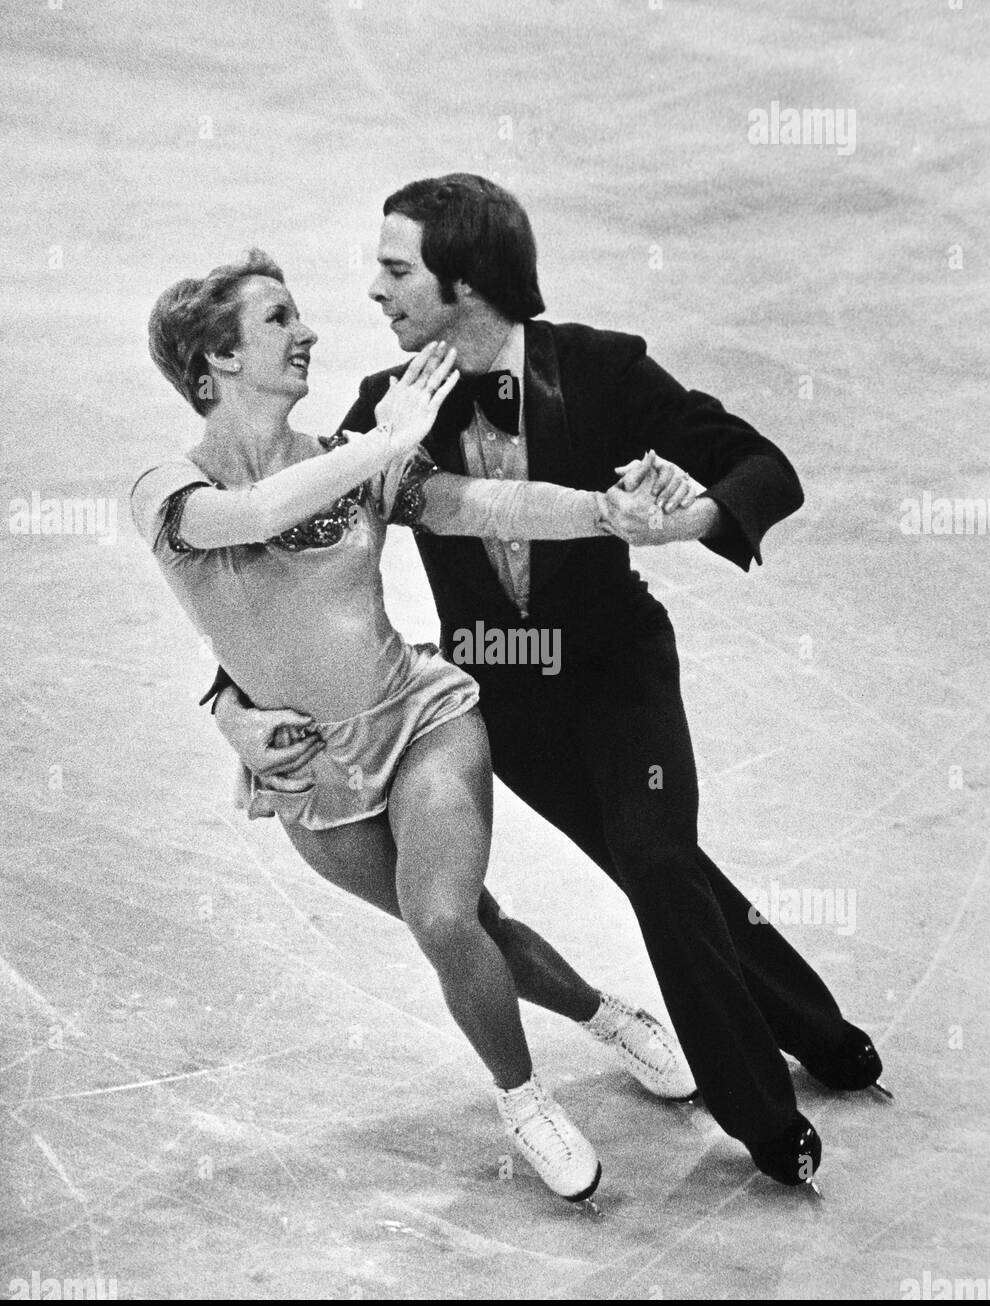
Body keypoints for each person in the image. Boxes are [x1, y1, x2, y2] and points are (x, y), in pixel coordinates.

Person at [208, 178, 892, 1193]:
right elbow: (283, 590)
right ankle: (824, 1036)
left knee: (658, 859)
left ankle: (763, 1117)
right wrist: (233, 708)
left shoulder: (600, 369)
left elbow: (761, 464)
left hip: (618, 669)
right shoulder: (384, 418)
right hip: (505, 708)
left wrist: (690, 518)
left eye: (396, 271)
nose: (373, 292)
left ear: (466, 282)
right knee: (664, 874)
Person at [132, 249, 701, 1206]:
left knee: (441, 915)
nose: (307, 330)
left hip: (424, 717)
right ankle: (610, 1015)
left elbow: (476, 502)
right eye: (277, 319)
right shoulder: (164, 488)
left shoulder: (352, 460)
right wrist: (384, 440)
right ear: (215, 362)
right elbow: (255, 514)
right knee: (471, 930)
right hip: (315, 775)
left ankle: (522, 1102)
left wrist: (605, 511)